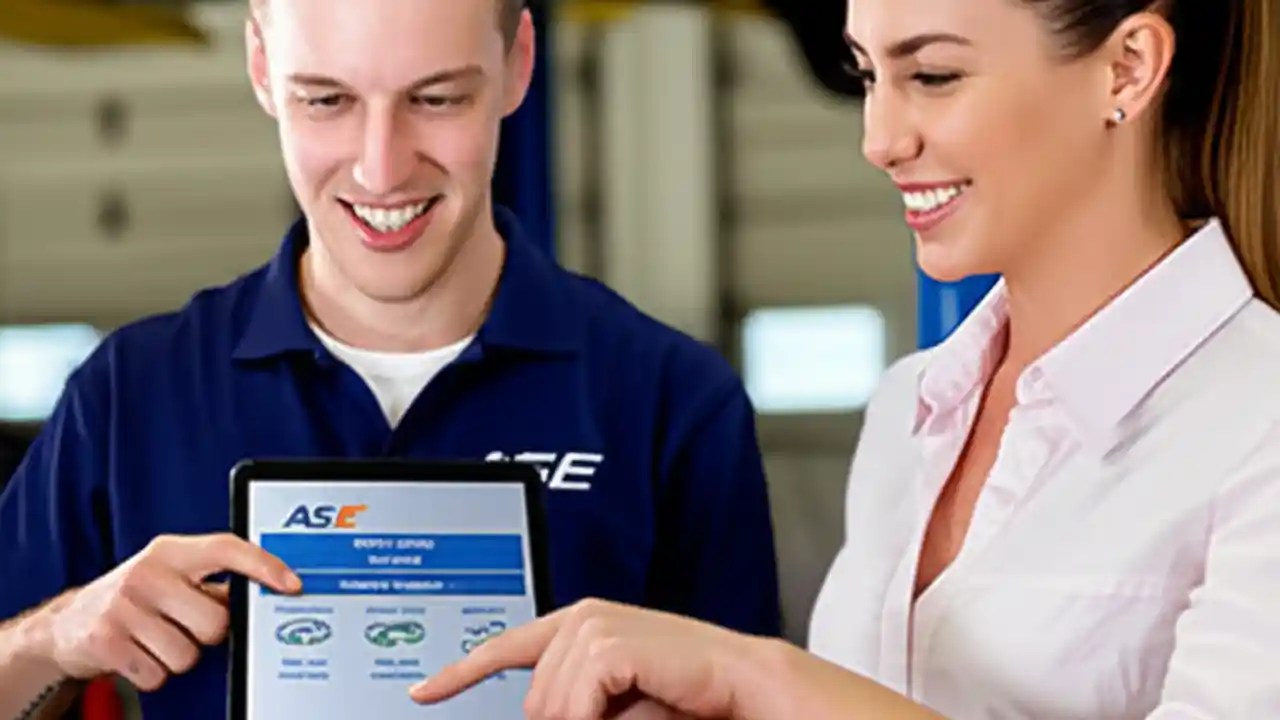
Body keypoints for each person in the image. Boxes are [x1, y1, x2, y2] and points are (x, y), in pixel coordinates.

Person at [410, 0, 1280, 717]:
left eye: (932, 76)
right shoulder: (910, 409)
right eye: (869, 75)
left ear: (1127, 67)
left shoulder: (1259, 419)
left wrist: (761, 679)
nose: (878, 137)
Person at [0, 0, 781, 716]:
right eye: (327, 100)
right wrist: (53, 636)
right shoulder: (132, 397)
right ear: (262, 66)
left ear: (518, 64)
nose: (381, 168)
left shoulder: (671, 402)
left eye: (436, 99)